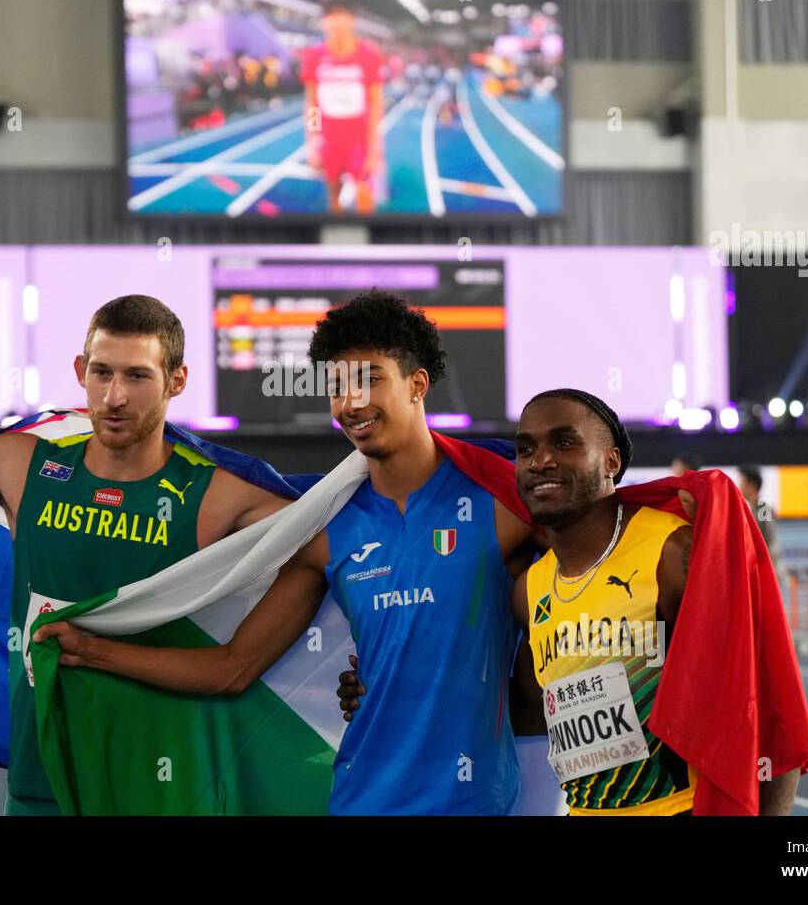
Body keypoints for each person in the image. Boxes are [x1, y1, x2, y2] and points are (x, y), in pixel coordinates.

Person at [36, 291, 547, 814]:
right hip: (361, 801)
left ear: (417, 385)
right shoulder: (325, 530)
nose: (350, 404)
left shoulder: (504, 509)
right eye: (336, 387)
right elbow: (232, 668)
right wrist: (90, 649)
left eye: (368, 379)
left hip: (481, 801)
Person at [0, 255, 290, 815]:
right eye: (102, 372)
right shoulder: (24, 468)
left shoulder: (216, 496)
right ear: (80, 371)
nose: (115, 396)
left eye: (137, 376)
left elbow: (337, 553)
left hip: (162, 790)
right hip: (40, 782)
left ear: (178, 381)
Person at [512, 390, 800, 814]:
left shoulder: (671, 554)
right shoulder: (529, 589)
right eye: (525, 449)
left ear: (611, 461)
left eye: (564, 442)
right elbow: (537, 719)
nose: (540, 461)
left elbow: (767, 707)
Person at [300, 0, 385, 215]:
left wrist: (375, 147)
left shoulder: (369, 55)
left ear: (352, 20)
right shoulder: (314, 57)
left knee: (365, 196)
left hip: (359, 139)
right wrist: (312, 142)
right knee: (333, 195)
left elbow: (376, 102)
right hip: (329, 139)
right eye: (330, 16)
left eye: (341, 15)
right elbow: (312, 103)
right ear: (323, 22)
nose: (336, 22)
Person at [737, 464, 779, 567]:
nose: (739, 486)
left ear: (751, 485)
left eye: (742, 482)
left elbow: (766, 541)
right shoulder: (753, 509)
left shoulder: (763, 508)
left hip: (768, 570)